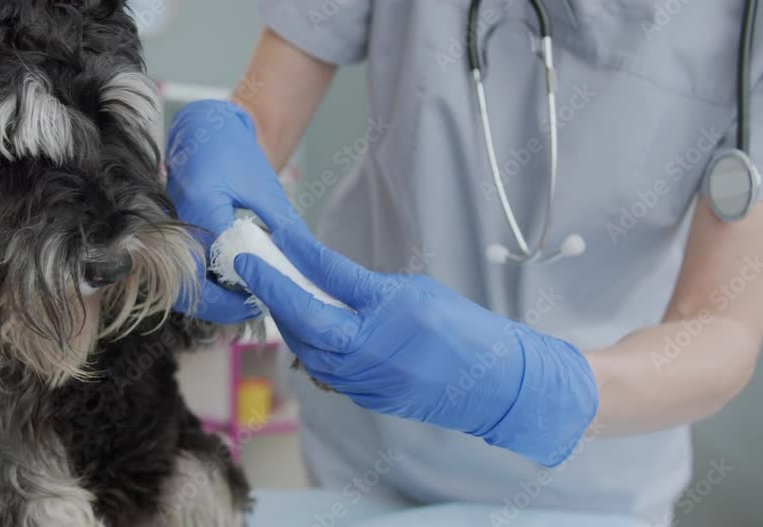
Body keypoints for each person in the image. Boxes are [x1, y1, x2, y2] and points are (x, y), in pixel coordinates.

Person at [165, 2, 763, 523]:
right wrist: (224, 153)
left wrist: (542, 389)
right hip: (365, 447)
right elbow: (266, 116)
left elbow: (725, 325)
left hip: (596, 473)